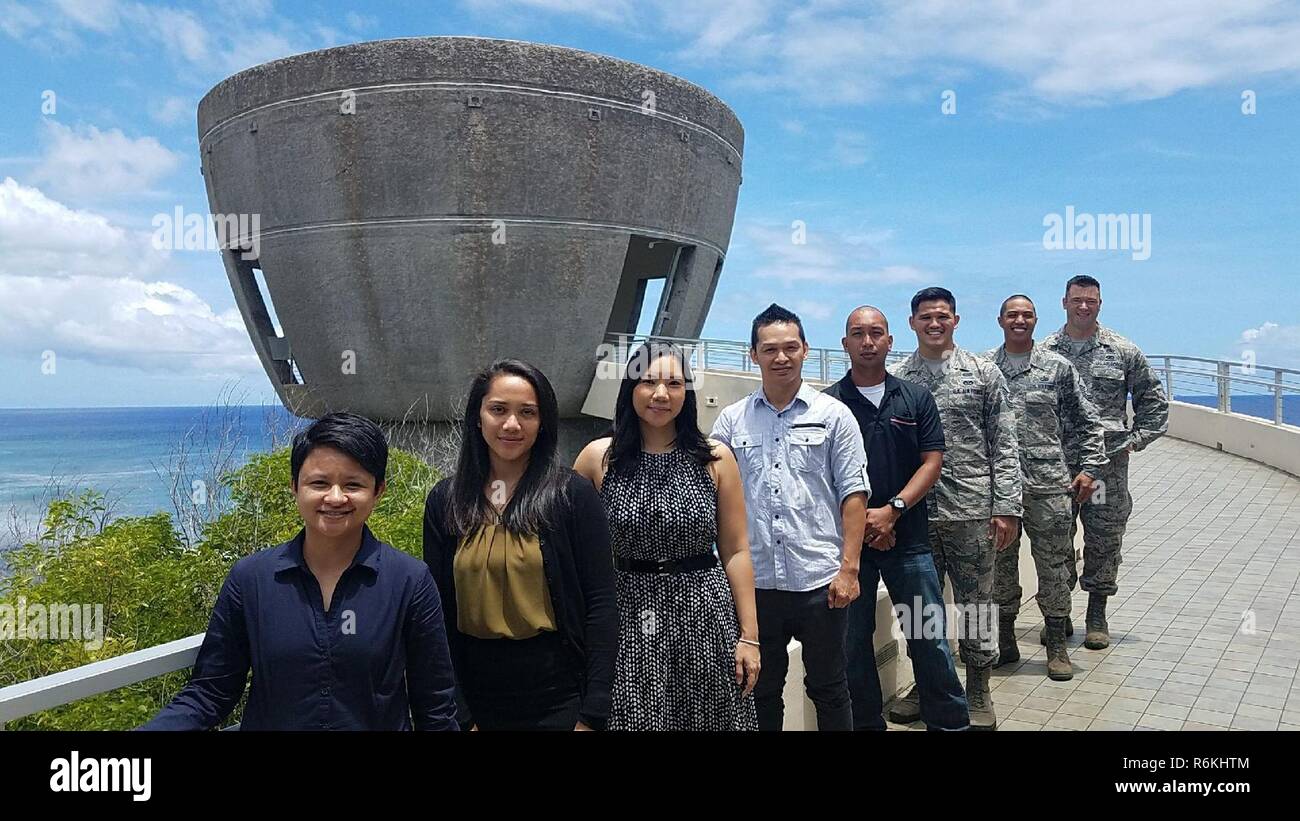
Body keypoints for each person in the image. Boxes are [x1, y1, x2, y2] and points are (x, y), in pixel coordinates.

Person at [142, 412, 459, 731]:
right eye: (319, 483)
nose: (335, 498)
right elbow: (211, 691)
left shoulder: (409, 581)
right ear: (294, 487)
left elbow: (434, 706)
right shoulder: (252, 579)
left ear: (378, 491)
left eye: (353, 484)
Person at [422, 359, 617, 731]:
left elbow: (601, 604)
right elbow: (438, 615)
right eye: (498, 410)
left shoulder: (571, 495)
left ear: (542, 422)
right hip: (477, 700)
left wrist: (592, 713)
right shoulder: (446, 501)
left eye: (527, 412)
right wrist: (460, 714)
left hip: (558, 697)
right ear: (477, 417)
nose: (512, 424)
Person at [574, 341, 759, 731]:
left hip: (704, 610)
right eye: (648, 382)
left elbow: (736, 550)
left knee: (711, 719)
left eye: (674, 383)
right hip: (628, 614)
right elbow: (576, 556)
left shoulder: (715, 457)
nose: (661, 394)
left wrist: (750, 637)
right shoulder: (597, 458)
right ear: (630, 389)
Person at [710, 304, 869, 731]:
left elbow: (854, 494)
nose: (781, 357)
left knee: (830, 688)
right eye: (770, 349)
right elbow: (717, 494)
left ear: (804, 350)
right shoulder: (730, 420)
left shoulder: (834, 415)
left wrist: (849, 569)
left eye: (790, 348)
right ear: (753, 355)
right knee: (759, 689)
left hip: (819, 580)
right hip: (757, 583)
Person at [824, 306, 969, 730]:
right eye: (858, 334)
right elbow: (820, 476)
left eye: (876, 333)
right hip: (850, 548)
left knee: (930, 640)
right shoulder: (828, 404)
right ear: (845, 343)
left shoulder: (915, 397)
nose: (867, 342)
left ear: (890, 341)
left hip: (910, 541)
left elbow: (932, 461)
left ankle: (950, 724)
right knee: (851, 645)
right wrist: (866, 524)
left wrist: (893, 511)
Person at [888, 287, 1021, 730]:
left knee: (976, 604)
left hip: (972, 510)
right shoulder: (898, 379)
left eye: (942, 316)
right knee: (921, 609)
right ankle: (927, 686)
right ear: (912, 324)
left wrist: (1005, 507)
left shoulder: (982, 373)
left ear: (956, 321)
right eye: (925, 317)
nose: (934, 324)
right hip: (918, 515)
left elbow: (1004, 443)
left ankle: (978, 689)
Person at [1042, 275, 1168, 650]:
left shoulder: (1122, 350)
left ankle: (1096, 612)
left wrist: (1135, 441)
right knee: (1055, 540)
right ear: (1064, 302)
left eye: (1091, 301)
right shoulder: (1045, 351)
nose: (1084, 307)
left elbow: (1154, 403)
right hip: (1057, 466)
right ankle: (1058, 611)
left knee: (1104, 539)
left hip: (1106, 471)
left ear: (1100, 304)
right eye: (1077, 300)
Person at [986, 295, 1107, 680]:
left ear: (1036, 320)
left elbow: (1089, 421)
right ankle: (1005, 640)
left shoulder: (1058, 368)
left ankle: (1056, 644)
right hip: (999, 489)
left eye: (1026, 315)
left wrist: (1089, 469)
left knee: (1054, 567)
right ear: (1000, 320)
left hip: (1049, 487)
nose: (1019, 320)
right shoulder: (984, 368)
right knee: (999, 566)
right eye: (1012, 315)